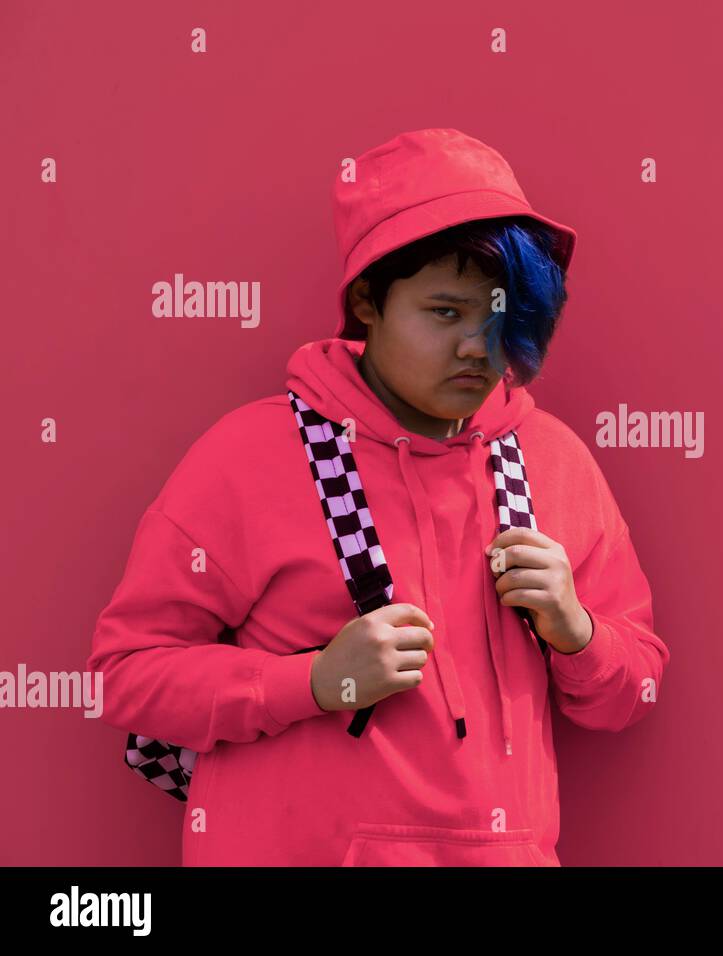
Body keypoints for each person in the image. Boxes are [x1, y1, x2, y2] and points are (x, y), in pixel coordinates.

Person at [86, 128, 669, 866]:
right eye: (444, 312)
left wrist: (577, 632)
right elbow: (128, 674)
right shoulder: (247, 457)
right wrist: (310, 680)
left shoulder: (555, 462)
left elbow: (632, 690)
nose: (476, 347)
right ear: (368, 301)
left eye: (497, 317)